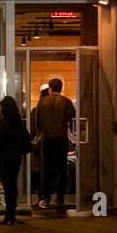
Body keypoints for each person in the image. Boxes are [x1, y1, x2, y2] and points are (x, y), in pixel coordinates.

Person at [0, 95, 31, 225]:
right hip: (16, 158)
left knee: (8, 186)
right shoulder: (19, 123)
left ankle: (9, 215)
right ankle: (12, 214)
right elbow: (26, 141)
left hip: (3, 159)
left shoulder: (2, 123)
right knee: (13, 185)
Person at [34, 77, 76, 211]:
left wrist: (41, 133)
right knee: (62, 169)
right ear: (61, 88)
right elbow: (72, 121)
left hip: (46, 139)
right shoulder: (66, 102)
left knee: (45, 168)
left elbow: (37, 122)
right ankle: (60, 198)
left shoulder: (42, 102)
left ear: (50, 88)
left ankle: (45, 198)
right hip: (61, 139)